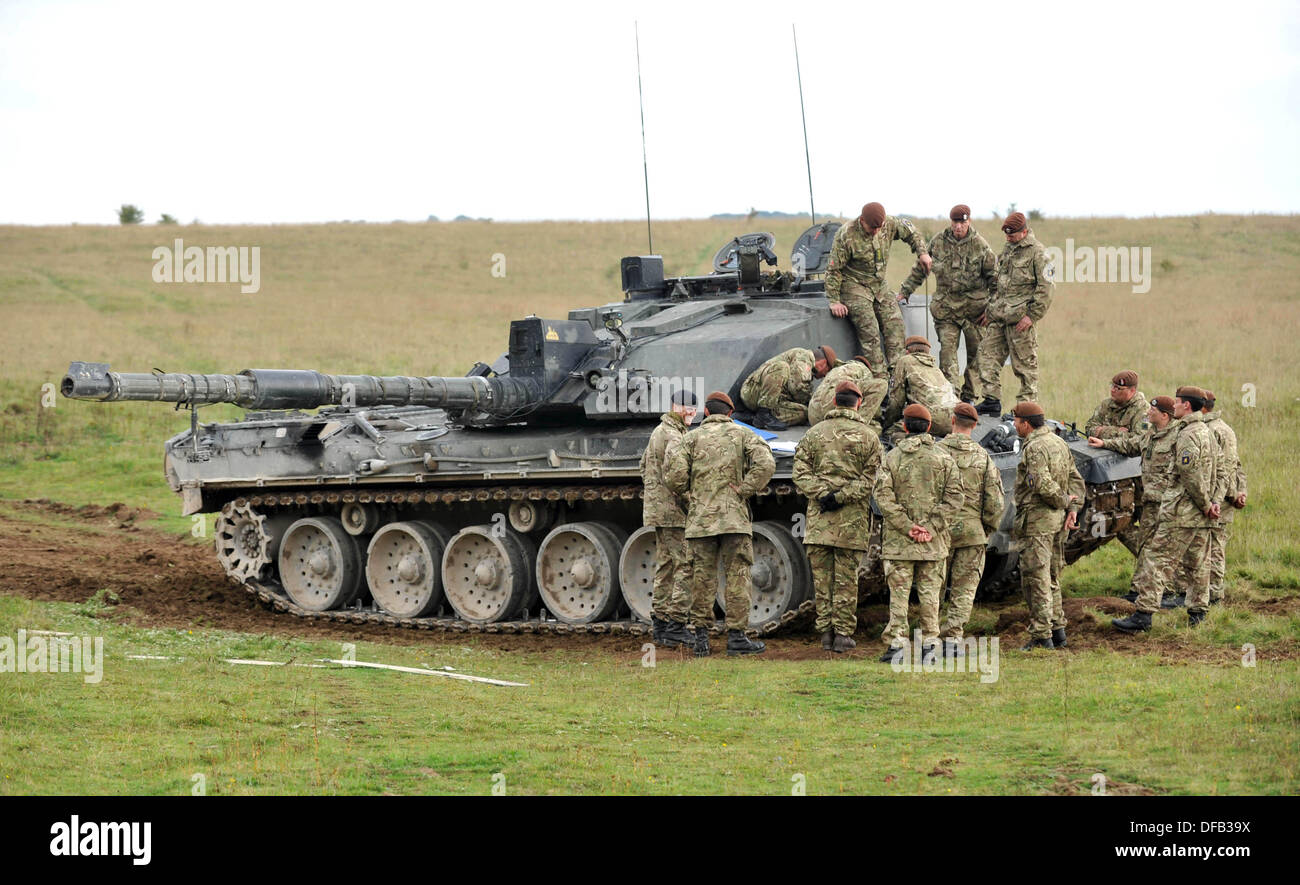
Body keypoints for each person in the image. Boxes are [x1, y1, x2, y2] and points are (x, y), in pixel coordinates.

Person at [663, 391, 776, 656]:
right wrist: (745, 489)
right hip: (734, 519)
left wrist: (691, 495)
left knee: (702, 579)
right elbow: (766, 463)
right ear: (730, 412)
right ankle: (736, 637)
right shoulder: (742, 435)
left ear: (705, 411)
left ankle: (701, 639)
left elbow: (674, 476)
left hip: (701, 521)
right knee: (738, 576)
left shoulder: (690, 439)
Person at [1112, 387, 1220, 633]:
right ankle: (1197, 612)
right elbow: (1217, 470)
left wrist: (1204, 504)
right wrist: (1212, 503)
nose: (1175, 407)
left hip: (1182, 511)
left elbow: (1190, 474)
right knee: (1198, 562)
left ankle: (1143, 615)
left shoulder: (1187, 434)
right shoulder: (1206, 431)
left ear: (1187, 407)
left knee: (1155, 559)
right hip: (1200, 512)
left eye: (1178, 403)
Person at [792, 380, 883, 653]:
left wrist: (822, 494)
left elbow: (800, 472)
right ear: (858, 403)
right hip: (851, 522)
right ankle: (843, 634)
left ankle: (826, 634)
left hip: (820, 521)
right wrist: (840, 496)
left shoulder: (814, 434)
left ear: (834, 402)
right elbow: (870, 481)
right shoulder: (869, 437)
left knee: (822, 580)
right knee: (846, 580)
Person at [874, 403, 960, 665]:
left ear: (904, 426)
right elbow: (955, 497)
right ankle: (930, 646)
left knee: (898, 596)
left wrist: (907, 525)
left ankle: (897, 646)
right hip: (932, 544)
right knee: (930, 596)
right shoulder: (944, 458)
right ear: (930, 427)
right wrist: (931, 528)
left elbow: (882, 496)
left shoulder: (892, 458)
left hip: (900, 542)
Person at [897, 204, 997, 403]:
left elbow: (995, 280)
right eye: (955, 222)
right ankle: (951, 398)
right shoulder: (938, 242)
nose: (958, 226)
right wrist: (905, 291)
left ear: (969, 222)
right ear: (951, 222)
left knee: (976, 358)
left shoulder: (981, 246)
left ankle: (969, 398)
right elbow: (921, 269)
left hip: (974, 313)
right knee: (947, 355)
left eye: (963, 222)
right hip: (947, 311)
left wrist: (991, 310)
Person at [825, 202, 931, 375]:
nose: (875, 231)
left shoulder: (889, 224)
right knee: (870, 331)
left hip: (879, 284)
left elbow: (911, 232)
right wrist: (834, 300)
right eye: (871, 227)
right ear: (862, 220)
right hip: (854, 285)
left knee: (895, 325)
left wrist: (922, 253)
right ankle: (879, 378)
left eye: (878, 227)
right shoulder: (846, 234)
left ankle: (898, 377)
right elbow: (834, 269)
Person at [1012, 401, 1084, 650]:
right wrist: (1072, 509)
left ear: (1026, 423)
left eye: (1017, 421)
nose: (1014, 425)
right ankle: (1058, 629)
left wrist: (1065, 502)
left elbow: (1040, 484)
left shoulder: (1034, 447)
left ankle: (1042, 635)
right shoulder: (1058, 442)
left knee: (1036, 578)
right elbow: (1076, 478)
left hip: (1038, 521)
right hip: (1058, 521)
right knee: (1052, 576)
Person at [938, 402, 1005, 657]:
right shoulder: (982, 457)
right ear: (975, 426)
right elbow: (995, 502)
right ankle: (952, 638)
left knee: (934, 585)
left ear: (952, 421)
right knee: (964, 588)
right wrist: (986, 527)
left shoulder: (936, 452)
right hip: (971, 531)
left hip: (939, 530)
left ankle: (930, 635)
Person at [975, 212, 1055, 415]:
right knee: (986, 356)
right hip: (999, 318)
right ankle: (991, 400)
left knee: (1025, 367)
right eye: (1006, 235)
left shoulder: (1038, 253)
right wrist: (991, 311)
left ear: (1024, 232)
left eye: (1012, 235)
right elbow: (1001, 285)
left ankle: (1026, 409)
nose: (1008, 238)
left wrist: (1032, 316)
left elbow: (1047, 288)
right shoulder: (1009, 249)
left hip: (1021, 320)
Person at [638, 388, 698, 648]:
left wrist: (656, 494)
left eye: (694, 410)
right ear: (675, 406)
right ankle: (676, 624)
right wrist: (691, 502)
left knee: (666, 566)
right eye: (687, 408)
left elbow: (643, 466)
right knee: (686, 565)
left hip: (660, 510)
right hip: (674, 512)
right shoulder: (673, 436)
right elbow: (677, 477)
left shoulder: (659, 432)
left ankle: (661, 624)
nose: (691, 414)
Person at [1089, 395, 1179, 567]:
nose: (1148, 412)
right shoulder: (1151, 435)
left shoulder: (1178, 438)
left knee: (1163, 544)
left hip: (1168, 500)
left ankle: (1166, 586)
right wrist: (1104, 443)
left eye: (1153, 410)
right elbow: (1130, 445)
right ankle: (1144, 587)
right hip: (1150, 498)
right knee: (1146, 544)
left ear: (1165, 416)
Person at [1201, 390, 1247, 605]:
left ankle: (1213, 594)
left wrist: (1229, 496)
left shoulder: (1213, 430)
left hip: (1218, 499)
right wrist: (1239, 492)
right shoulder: (1220, 427)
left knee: (1214, 549)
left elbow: (1227, 468)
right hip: (1221, 497)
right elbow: (1236, 464)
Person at [739, 345, 835, 430]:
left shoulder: (808, 368)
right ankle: (763, 414)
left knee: (805, 412)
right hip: (752, 392)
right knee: (782, 367)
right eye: (828, 370)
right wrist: (814, 402)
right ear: (823, 363)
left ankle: (752, 418)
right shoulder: (804, 356)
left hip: (772, 400)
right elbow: (797, 388)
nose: (825, 375)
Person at [882, 336, 959, 442]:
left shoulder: (905, 361)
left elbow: (896, 400)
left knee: (892, 433)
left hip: (928, 420)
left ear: (907, 351)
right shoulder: (935, 367)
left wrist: (888, 424)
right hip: (954, 422)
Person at [807, 355, 888, 432]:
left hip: (813, 417)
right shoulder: (864, 370)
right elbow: (872, 398)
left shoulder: (836, 370)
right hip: (829, 412)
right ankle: (857, 428)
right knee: (882, 384)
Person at [1085, 370, 1148, 441]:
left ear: (1132, 391)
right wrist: (1115, 431)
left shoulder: (1144, 410)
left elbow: (1138, 440)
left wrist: (1101, 432)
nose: (1112, 390)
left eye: (1118, 388)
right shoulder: (1106, 404)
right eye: (1112, 386)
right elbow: (1089, 428)